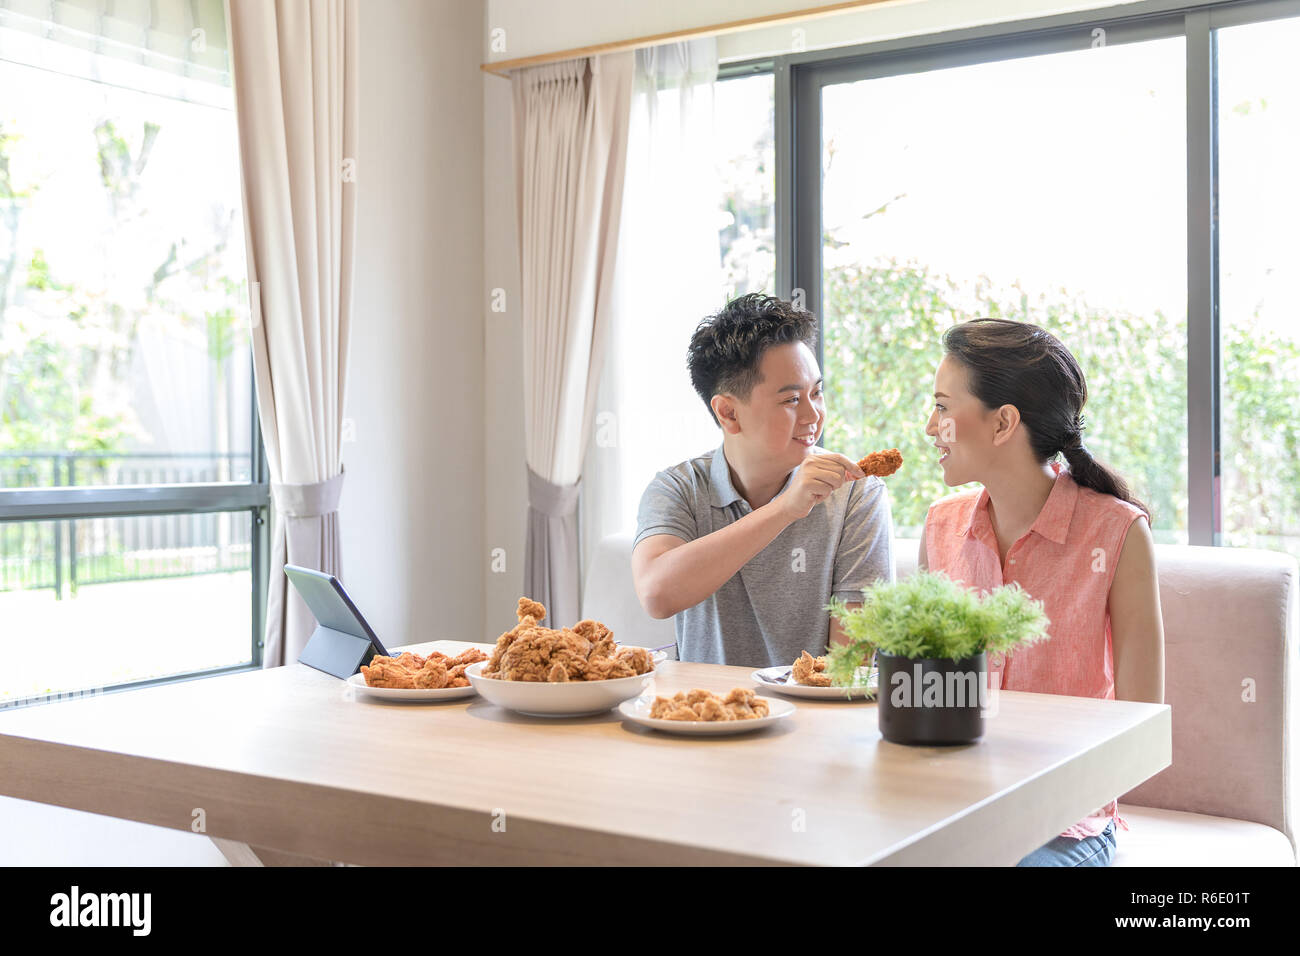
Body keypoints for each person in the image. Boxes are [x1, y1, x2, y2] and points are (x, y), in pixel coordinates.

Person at [918, 318, 1165, 866]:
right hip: (950, 811)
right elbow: (923, 700)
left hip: (1064, 827)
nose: (929, 426)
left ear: (1003, 422)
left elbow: (1139, 731)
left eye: (941, 406)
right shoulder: (941, 528)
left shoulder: (1118, 533)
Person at [631, 293, 894, 666]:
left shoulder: (855, 494)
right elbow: (657, 594)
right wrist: (784, 509)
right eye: (790, 401)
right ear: (728, 413)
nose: (813, 416)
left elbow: (851, 666)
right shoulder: (679, 488)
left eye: (817, 392)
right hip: (704, 718)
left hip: (815, 720)